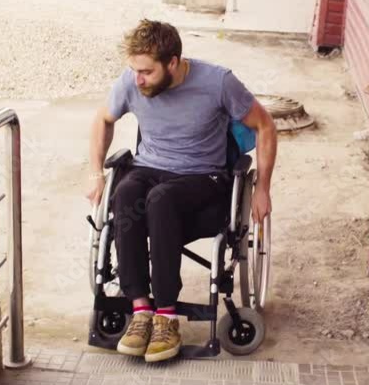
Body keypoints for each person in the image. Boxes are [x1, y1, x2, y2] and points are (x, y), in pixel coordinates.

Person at [87, 19, 278, 362]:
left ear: (172, 62)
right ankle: (141, 309)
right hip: (150, 168)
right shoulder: (132, 83)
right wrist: (95, 173)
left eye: (146, 71)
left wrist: (263, 188)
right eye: (134, 70)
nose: (138, 79)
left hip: (203, 177)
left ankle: (166, 316)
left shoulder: (218, 82)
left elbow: (264, 125)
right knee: (126, 194)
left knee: (160, 201)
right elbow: (103, 119)